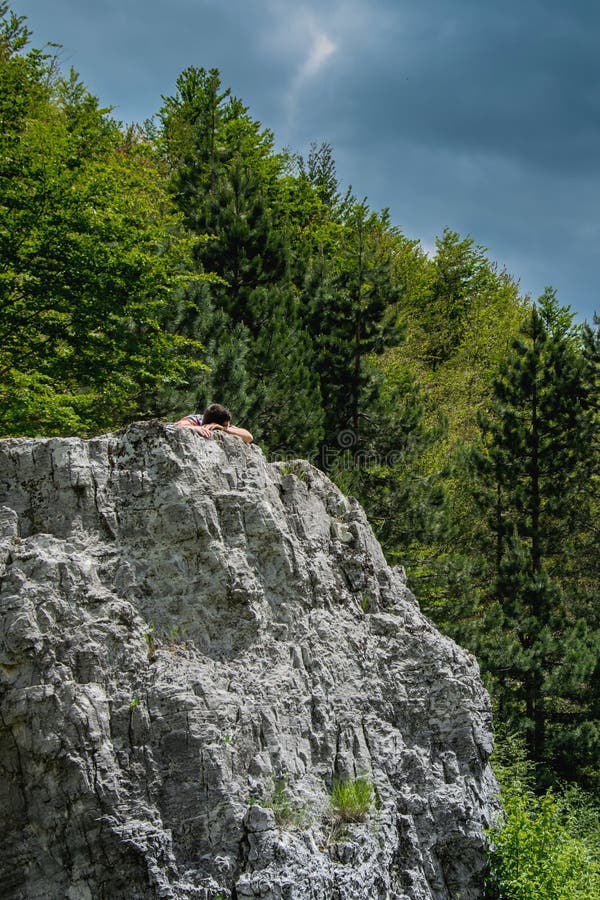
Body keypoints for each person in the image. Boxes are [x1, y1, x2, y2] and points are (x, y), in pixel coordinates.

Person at [175, 403, 253, 444]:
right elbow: (178, 424)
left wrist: (226, 430)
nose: (228, 426)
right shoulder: (196, 419)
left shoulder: (224, 426)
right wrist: (195, 428)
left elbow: (249, 437)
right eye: (226, 425)